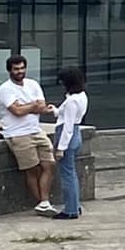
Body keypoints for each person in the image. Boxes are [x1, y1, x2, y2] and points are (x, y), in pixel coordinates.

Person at [0, 54, 57, 208]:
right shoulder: (5, 89)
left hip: (36, 130)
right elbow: (17, 111)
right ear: (10, 71)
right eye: (16, 69)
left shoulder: (33, 84)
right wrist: (32, 106)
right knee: (32, 169)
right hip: (17, 134)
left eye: (22, 68)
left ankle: (45, 200)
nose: (20, 71)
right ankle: (41, 203)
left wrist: (27, 106)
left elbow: (41, 107)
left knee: (49, 164)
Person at [46, 66, 89, 220]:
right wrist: (55, 110)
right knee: (71, 173)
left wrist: (60, 148)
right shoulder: (81, 96)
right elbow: (66, 114)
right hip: (75, 135)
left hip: (67, 136)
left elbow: (68, 126)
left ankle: (70, 209)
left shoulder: (72, 100)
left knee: (67, 175)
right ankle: (75, 205)